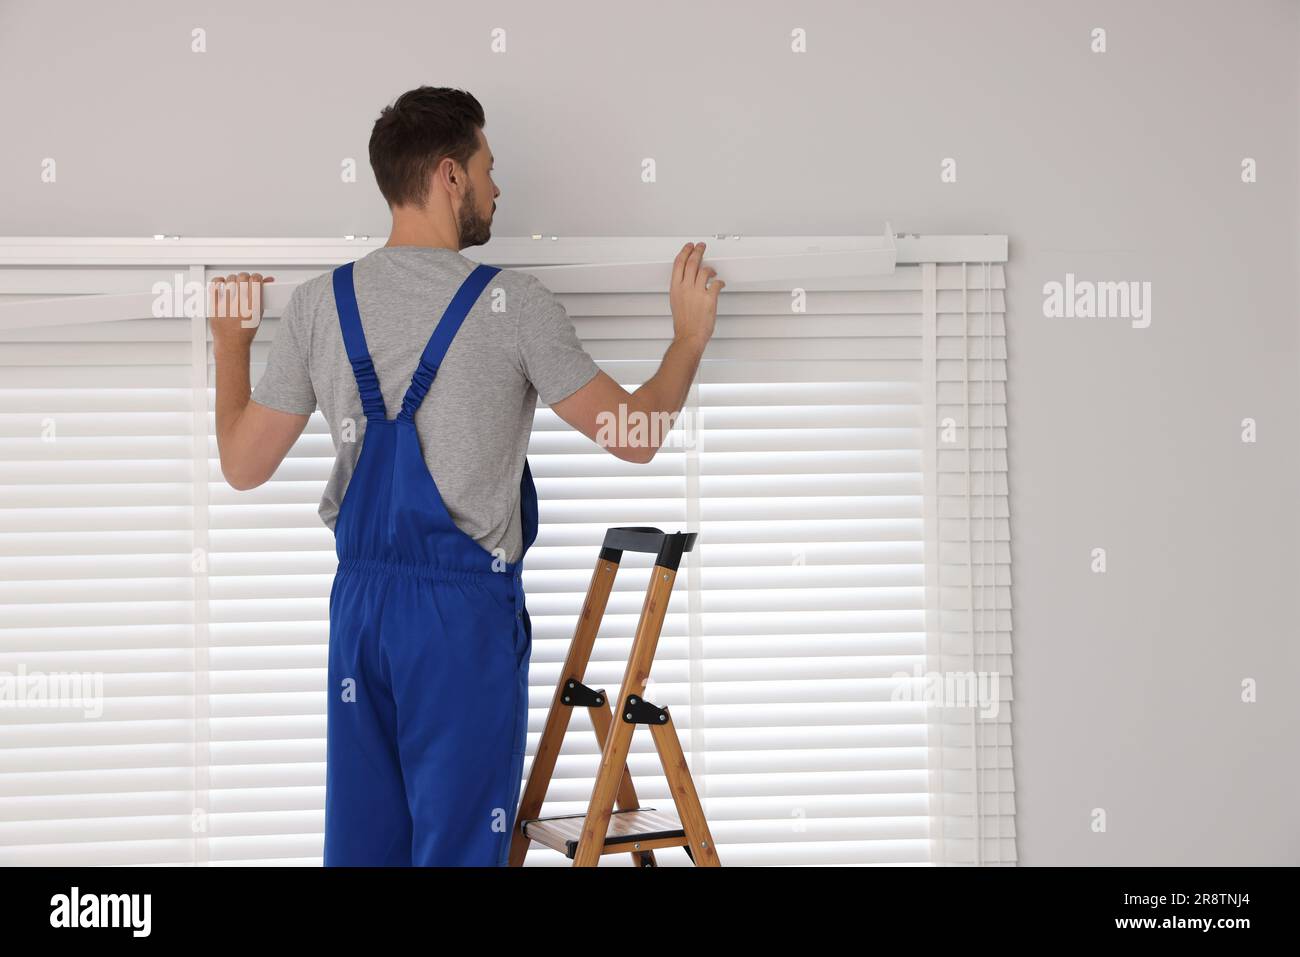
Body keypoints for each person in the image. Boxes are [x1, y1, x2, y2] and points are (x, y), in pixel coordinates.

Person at [207, 85, 724, 866]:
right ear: (451, 176)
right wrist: (687, 339)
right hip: (459, 626)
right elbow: (636, 434)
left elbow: (243, 465)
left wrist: (229, 345)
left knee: (364, 847)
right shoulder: (511, 305)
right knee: (456, 851)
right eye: (489, 167)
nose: (497, 187)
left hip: (361, 617)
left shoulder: (319, 306)